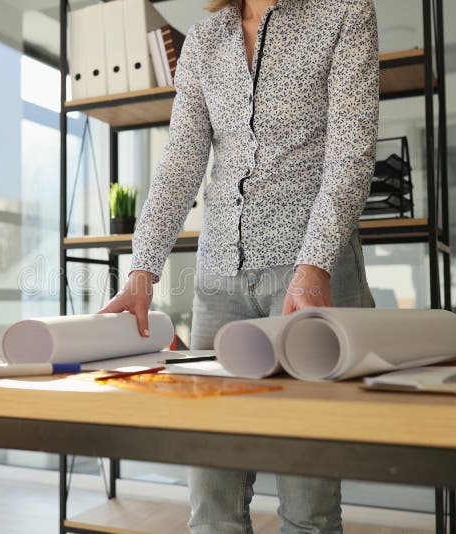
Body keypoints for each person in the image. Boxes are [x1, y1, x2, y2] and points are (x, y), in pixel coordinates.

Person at [99, 0, 379, 531]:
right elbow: (182, 158)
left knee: (307, 497)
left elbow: (351, 150)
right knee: (211, 497)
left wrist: (315, 262)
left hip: (306, 277)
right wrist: (142, 270)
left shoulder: (344, 13)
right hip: (220, 279)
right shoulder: (206, 38)